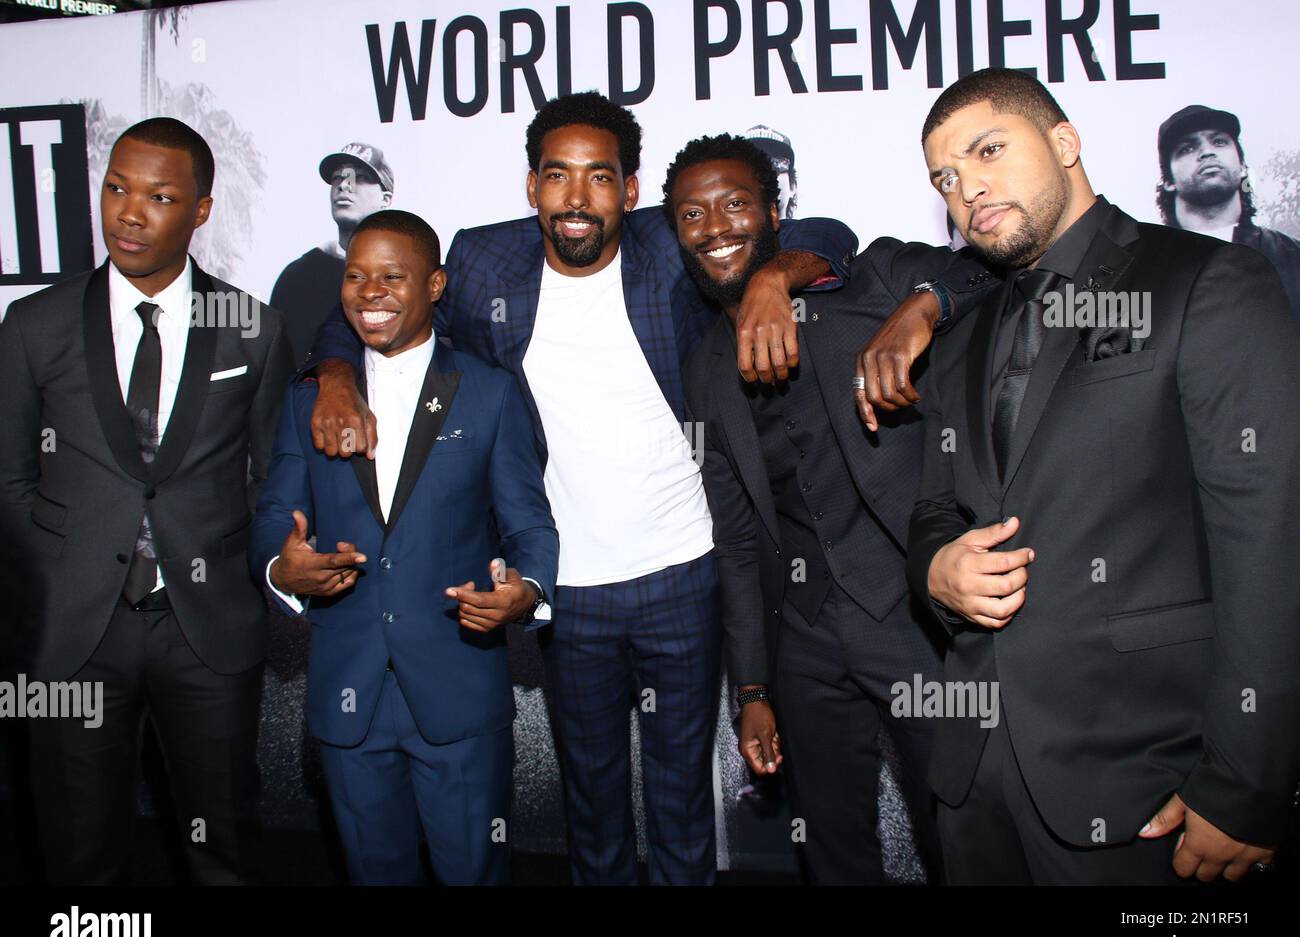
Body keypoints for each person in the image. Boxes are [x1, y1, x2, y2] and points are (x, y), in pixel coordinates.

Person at [299, 91, 875, 885]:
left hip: (684, 571)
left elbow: (828, 236)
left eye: (599, 177)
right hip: (567, 590)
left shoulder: (668, 244)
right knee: (593, 807)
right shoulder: (481, 262)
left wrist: (775, 277)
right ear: (530, 185)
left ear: (629, 191)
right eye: (556, 175)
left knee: (680, 803)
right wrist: (335, 375)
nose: (576, 197)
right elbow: (372, 304)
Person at [905, 68, 1300, 883]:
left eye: (987, 151)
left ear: (1065, 142)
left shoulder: (1206, 281)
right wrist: (937, 568)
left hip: (1150, 780)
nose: (966, 187)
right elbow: (936, 507)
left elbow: (1271, 539)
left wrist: (1247, 784)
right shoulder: (961, 334)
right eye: (944, 177)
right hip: (974, 785)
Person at [671, 135, 991, 883]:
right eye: (691, 214)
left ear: (774, 213)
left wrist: (921, 310)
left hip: (917, 618)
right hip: (804, 639)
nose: (714, 227)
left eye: (735, 204)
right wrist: (753, 690)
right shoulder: (703, 367)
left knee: (961, 837)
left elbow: (986, 268)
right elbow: (738, 540)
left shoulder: (871, 281)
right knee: (829, 852)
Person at [0, 117, 294, 884]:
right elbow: (9, 478)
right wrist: (57, 581)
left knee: (222, 849)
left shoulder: (252, 328)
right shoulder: (34, 324)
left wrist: (238, 563)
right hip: (73, 634)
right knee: (76, 852)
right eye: (116, 188)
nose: (129, 213)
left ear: (201, 209)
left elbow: (271, 476)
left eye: (159, 196)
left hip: (206, 628)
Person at [251, 211, 557, 885]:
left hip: (459, 692)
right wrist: (282, 566)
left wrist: (528, 591)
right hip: (348, 694)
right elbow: (275, 513)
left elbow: (530, 526)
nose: (370, 292)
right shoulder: (310, 400)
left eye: (392, 276)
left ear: (435, 284)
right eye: (356, 276)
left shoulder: (490, 390)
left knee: (474, 873)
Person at [1155, 105, 1300, 318]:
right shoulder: (1143, 270)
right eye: (1186, 148)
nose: (1207, 152)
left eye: (1219, 142)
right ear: (1168, 180)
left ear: (1242, 166)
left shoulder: (1293, 258)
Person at [270, 142, 395, 364]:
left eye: (360, 177)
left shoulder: (408, 278)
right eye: (338, 178)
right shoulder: (298, 275)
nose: (345, 186)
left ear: (385, 199)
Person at [744, 124, 798, 219]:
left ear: (792, 186)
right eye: (750, 166)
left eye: (776, 165)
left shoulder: (817, 228)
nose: (764, 176)